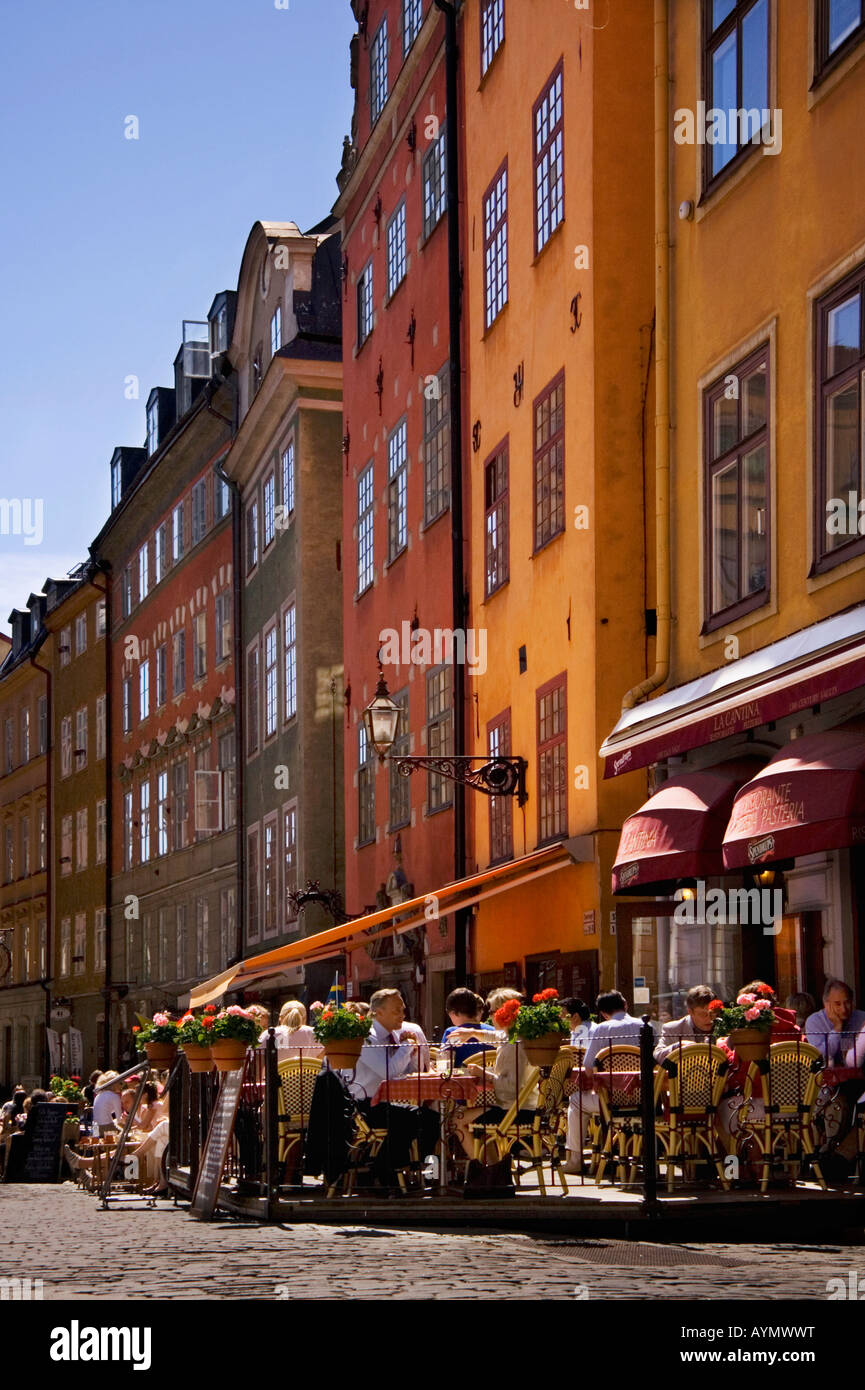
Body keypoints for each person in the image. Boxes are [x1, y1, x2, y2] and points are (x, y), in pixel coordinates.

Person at [342, 988, 439, 1187]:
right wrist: (407, 1047)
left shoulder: (393, 1036)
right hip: (364, 1105)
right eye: (397, 1011)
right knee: (416, 1119)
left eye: (403, 1010)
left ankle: (426, 1174)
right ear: (379, 1012)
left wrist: (410, 1050)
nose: (402, 1015)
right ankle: (386, 1168)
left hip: (386, 1101)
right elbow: (389, 1072)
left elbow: (409, 1070)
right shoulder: (368, 1037)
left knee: (432, 1119)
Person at [451, 989, 539, 1158]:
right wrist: (473, 1033)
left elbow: (511, 1086)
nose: (489, 1017)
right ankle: (493, 1167)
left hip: (516, 1111)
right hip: (522, 1107)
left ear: (503, 1012)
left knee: (456, 1120)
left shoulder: (515, 1044)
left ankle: (483, 1169)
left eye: (491, 1011)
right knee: (473, 1121)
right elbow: (496, 1036)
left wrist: (484, 1074)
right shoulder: (514, 1036)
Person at [583, 991, 645, 1077]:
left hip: (612, 1087)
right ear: (625, 1004)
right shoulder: (646, 1025)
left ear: (603, 1014)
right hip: (645, 1085)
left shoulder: (602, 1029)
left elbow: (589, 1069)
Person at [805, 980, 865, 1064]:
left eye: (847, 1002)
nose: (844, 1009)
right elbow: (820, 1056)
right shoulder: (814, 1021)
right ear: (826, 1004)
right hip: (827, 1074)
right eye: (838, 1004)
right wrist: (837, 1030)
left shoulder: (861, 1018)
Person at [654, 984, 717, 1063]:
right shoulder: (673, 1029)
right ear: (690, 1012)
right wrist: (678, 1047)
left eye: (713, 1013)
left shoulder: (724, 1026)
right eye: (703, 1014)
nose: (709, 1019)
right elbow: (658, 1055)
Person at [440, 987, 495, 1066]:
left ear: (454, 1013)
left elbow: (444, 1065)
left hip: (462, 1077)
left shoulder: (453, 1033)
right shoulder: (493, 1032)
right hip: (490, 1077)